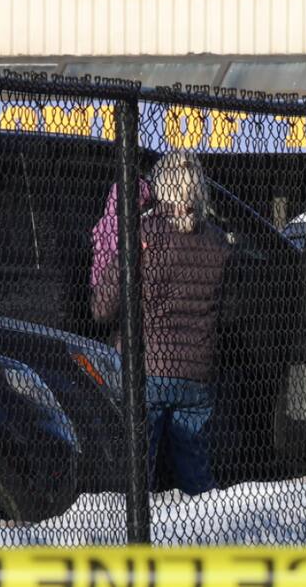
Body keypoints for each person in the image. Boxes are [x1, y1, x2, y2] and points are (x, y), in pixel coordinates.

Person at [92, 151, 231, 496]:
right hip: (197, 371)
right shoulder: (217, 240)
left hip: (146, 367)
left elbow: (102, 308)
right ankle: (211, 533)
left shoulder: (143, 233)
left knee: (139, 470)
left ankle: (138, 536)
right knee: (196, 475)